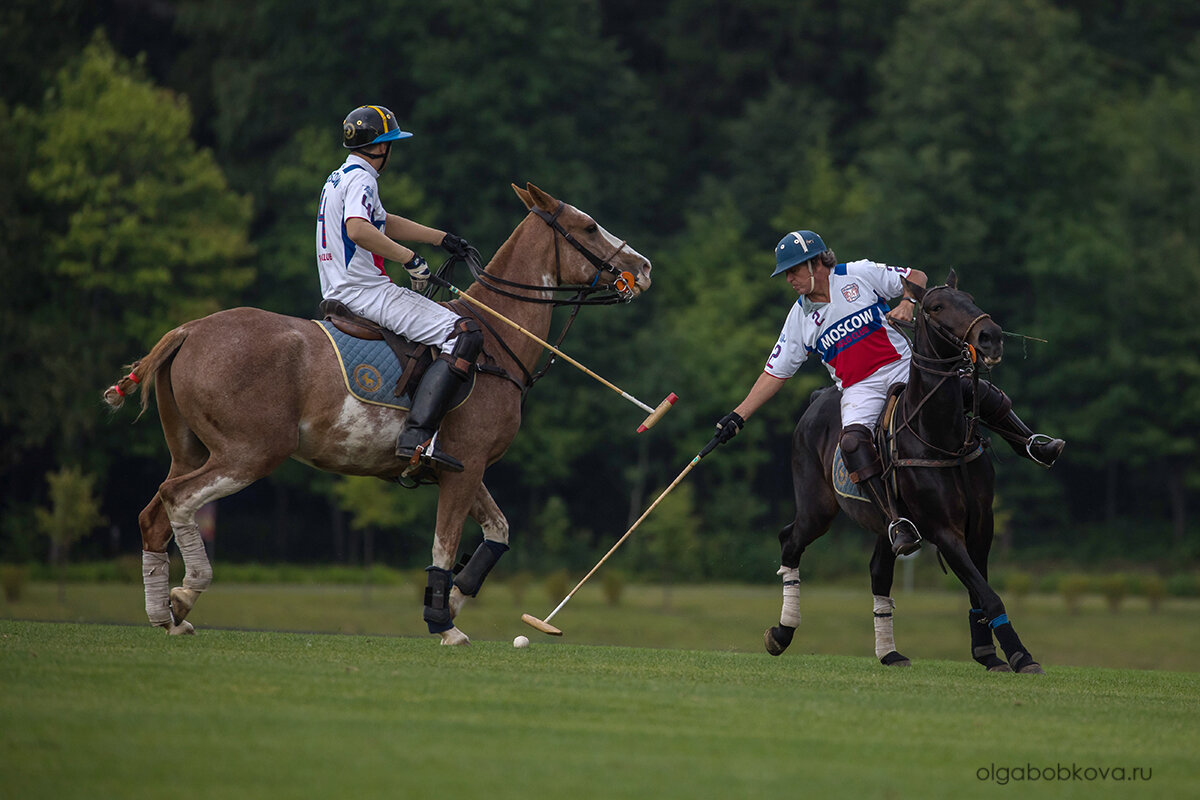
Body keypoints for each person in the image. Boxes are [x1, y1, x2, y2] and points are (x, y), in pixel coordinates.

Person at [712, 230, 1065, 556]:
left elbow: (917, 277)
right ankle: (896, 521)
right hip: (858, 389)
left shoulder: (858, 274)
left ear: (816, 263)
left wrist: (909, 301)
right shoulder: (799, 318)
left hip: (902, 366)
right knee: (851, 443)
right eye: (785, 274)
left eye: (793, 271)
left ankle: (1029, 443)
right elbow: (775, 372)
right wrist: (738, 416)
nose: (789, 280)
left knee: (972, 389)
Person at [316, 105, 481, 474]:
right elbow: (359, 228)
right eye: (391, 143)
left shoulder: (340, 177)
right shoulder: (363, 180)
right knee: (463, 333)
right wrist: (410, 259)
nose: (393, 150)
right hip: (365, 292)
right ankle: (417, 437)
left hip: (338, 289)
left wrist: (441, 238)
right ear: (380, 148)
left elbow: (382, 221)